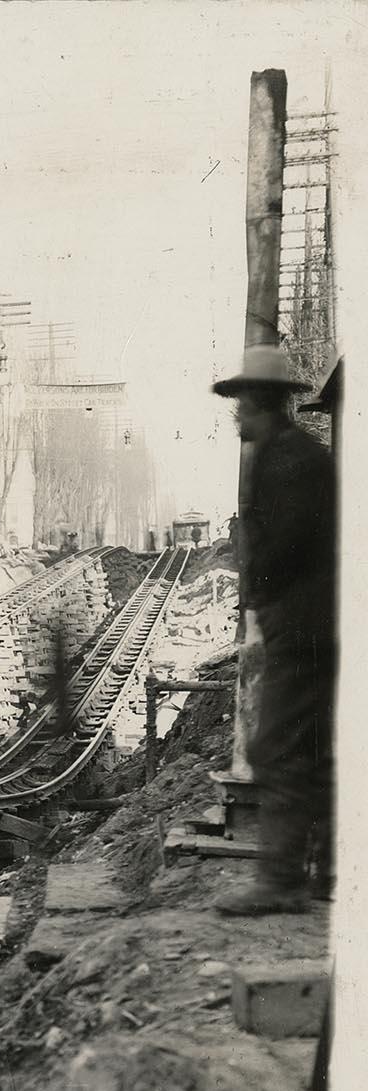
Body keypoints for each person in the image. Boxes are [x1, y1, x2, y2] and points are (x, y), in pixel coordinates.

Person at [211, 344, 338, 914]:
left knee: (276, 747)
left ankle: (283, 880)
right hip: (312, 621)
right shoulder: (289, 455)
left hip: (307, 623)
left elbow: (285, 546)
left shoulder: (290, 462)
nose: (237, 414)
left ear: (260, 403)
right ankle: (325, 871)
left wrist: (257, 586)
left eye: (241, 404)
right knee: (311, 749)